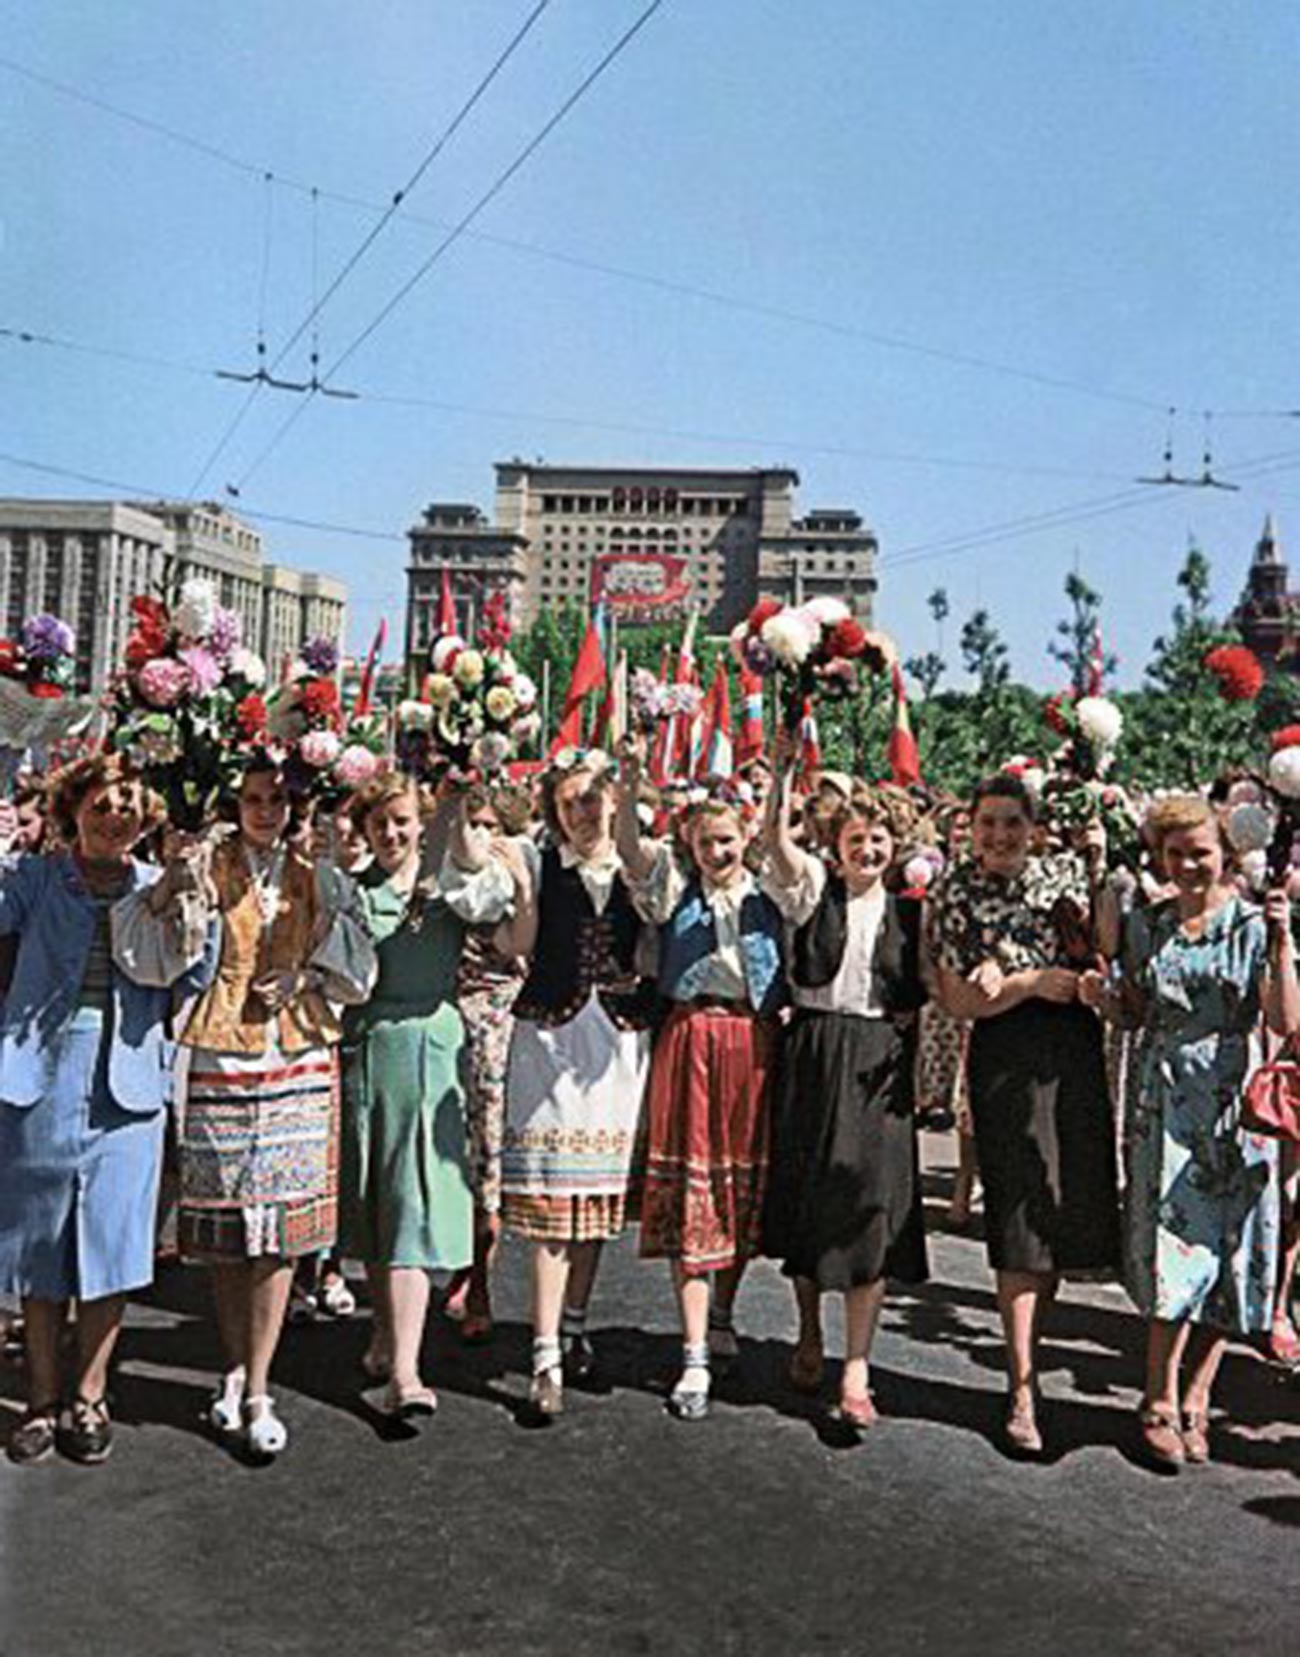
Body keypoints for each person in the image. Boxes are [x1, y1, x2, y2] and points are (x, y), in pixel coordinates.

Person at [0, 754, 216, 1466]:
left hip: (129, 1085)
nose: (114, 814)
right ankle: (39, 1395)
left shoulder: (159, 884)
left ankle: (89, 1395)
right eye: (100, 802)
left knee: (113, 1242)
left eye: (128, 803)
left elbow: (200, 966)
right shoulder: (35, 877)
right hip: (39, 1074)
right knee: (39, 1246)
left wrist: (193, 883)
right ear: (72, 809)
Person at [1080, 794, 1300, 1467]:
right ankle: (1156, 1398)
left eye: (1199, 851)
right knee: (1172, 1252)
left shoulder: (1253, 923)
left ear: (1226, 854)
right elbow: (1137, 1010)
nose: (1187, 865)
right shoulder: (1148, 923)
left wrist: (1285, 938)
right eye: (1174, 854)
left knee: (1231, 1260)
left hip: (1235, 1100)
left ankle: (1197, 1396)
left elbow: (1286, 1018)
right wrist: (1107, 998)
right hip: (1162, 1100)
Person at [176, 760, 376, 1459]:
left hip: (295, 1051)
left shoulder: (317, 870)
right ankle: (234, 1366)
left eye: (278, 799)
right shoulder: (210, 863)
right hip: (222, 1053)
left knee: (281, 1227)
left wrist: (306, 973)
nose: (266, 810)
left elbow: (360, 968)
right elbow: (176, 945)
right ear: (234, 801)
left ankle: (260, 1382)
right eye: (253, 798)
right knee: (228, 1227)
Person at [932, 773, 1119, 1456]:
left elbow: (1107, 945)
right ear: (971, 827)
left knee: (1054, 1212)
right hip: (1007, 1057)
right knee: (1017, 1218)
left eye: (1012, 822)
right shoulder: (955, 889)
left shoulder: (1064, 872)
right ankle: (1019, 1387)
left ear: (1034, 826)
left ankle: (1031, 1362)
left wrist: (1101, 865)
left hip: (1072, 1054)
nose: (1000, 835)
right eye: (988, 823)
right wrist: (1026, 983)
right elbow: (957, 999)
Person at [339, 774, 516, 1419]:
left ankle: (407, 1374)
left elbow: (498, 907)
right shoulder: (351, 893)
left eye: (403, 822)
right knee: (380, 1203)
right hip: (368, 1046)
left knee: (414, 1199)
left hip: (433, 1049)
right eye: (380, 823)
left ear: (422, 825)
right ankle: (385, 1328)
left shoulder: (451, 885)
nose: (391, 834)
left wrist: (461, 817)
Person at [616, 743, 785, 1420]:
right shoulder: (674, 886)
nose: (718, 851)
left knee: (739, 1185)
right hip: (689, 1035)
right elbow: (631, 852)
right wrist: (630, 788)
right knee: (693, 1185)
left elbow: (789, 843)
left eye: (727, 839)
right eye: (705, 840)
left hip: (751, 1038)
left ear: (745, 836)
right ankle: (693, 1353)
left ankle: (724, 1309)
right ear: (688, 839)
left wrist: (786, 777)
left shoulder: (768, 888)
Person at [761, 758, 928, 1430]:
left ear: (895, 847)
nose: (868, 849)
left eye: (879, 839)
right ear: (836, 844)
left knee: (872, 1207)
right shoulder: (810, 891)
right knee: (810, 1197)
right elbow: (773, 844)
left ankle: (857, 1369)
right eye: (856, 838)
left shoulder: (912, 912)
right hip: (815, 1049)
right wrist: (780, 771)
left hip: (878, 1059)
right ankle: (809, 1333)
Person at [496, 748, 655, 1419]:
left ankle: (577, 1325)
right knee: (553, 1206)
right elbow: (516, 946)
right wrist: (526, 889)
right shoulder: (541, 863)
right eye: (570, 802)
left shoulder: (641, 864)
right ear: (554, 811)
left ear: (614, 801)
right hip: (553, 1041)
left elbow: (654, 920)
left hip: (616, 1042)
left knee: (593, 1201)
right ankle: (543, 1352)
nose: (582, 811)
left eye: (592, 798)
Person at [449, 781, 531, 1342]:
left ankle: (479, 1277)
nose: (480, 837)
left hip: (498, 1020)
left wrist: (521, 887)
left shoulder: (515, 878)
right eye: (471, 824)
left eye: (491, 826)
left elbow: (513, 946)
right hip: (444, 1013)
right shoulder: (444, 872)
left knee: (486, 1162)